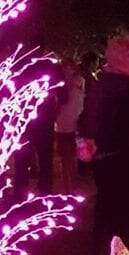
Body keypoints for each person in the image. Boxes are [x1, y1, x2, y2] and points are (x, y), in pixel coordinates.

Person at [78, 35, 129, 255]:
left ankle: (100, 252)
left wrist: (89, 141)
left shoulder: (101, 83)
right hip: (121, 153)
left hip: (103, 154)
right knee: (124, 207)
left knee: (105, 204)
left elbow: (88, 116)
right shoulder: (125, 87)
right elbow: (128, 123)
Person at [55, 57, 85, 191]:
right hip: (62, 125)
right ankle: (67, 186)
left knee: (71, 156)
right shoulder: (60, 85)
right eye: (64, 67)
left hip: (74, 124)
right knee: (64, 157)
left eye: (69, 67)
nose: (66, 70)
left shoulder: (78, 81)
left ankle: (72, 185)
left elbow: (78, 99)